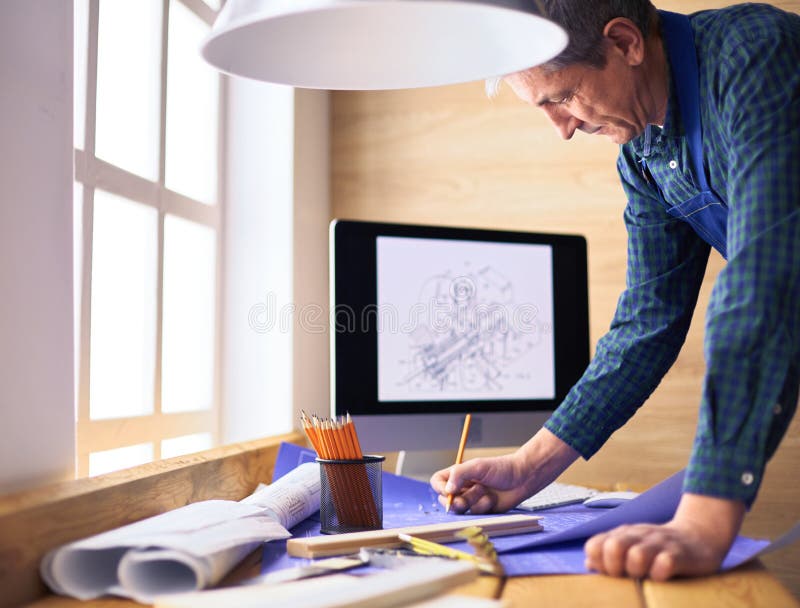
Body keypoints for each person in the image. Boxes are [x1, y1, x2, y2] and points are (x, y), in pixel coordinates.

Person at [431, 0, 799, 581]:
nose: (563, 128)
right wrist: (527, 469)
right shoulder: (644, 154)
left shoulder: (753, 55)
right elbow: (645, 325)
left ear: (625, 43)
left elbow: (764, 278)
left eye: (562, 96)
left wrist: (703, 519)